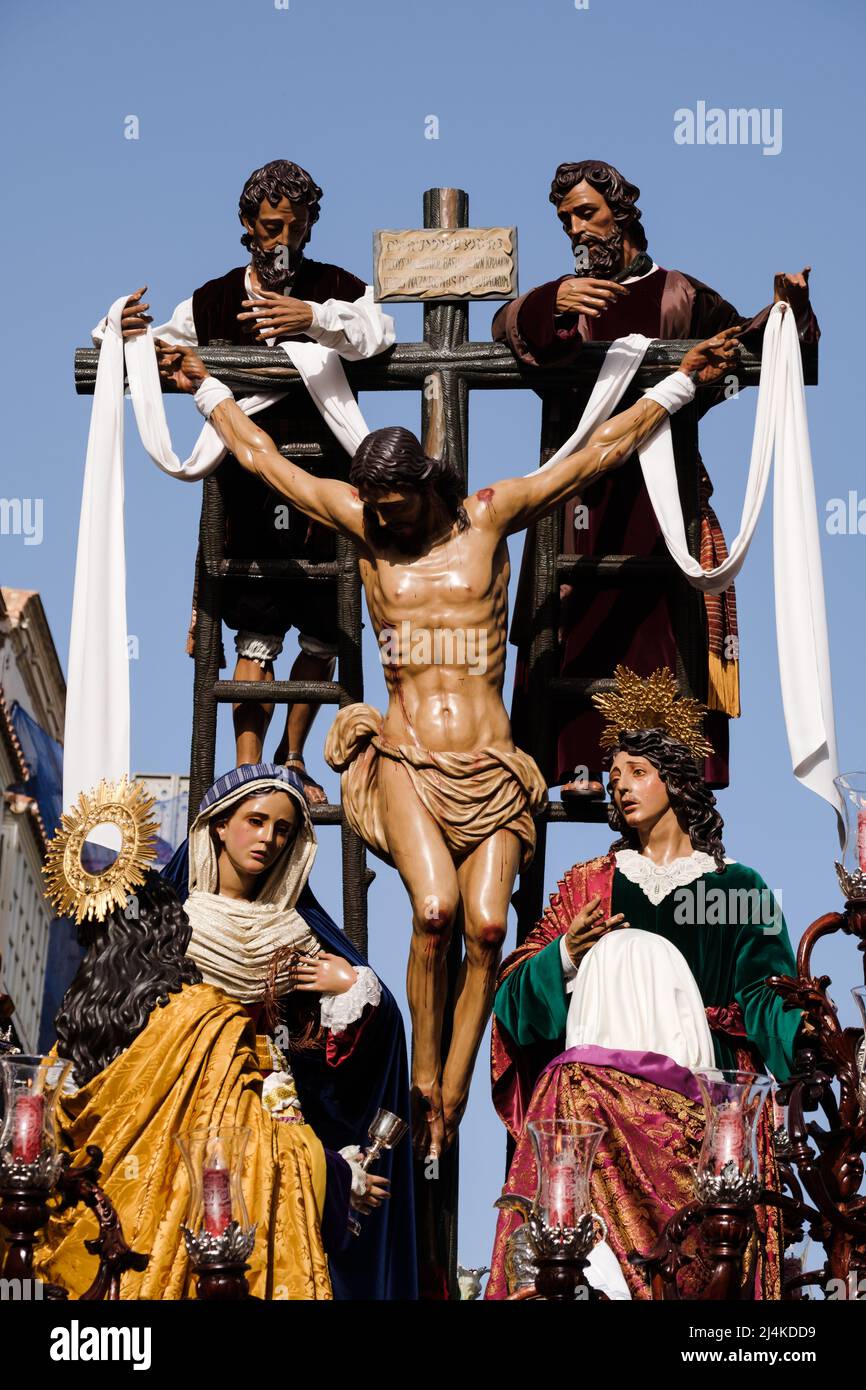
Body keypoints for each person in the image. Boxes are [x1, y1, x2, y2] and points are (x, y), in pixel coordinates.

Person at [154, 318, 742, 1158]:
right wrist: (203, 387)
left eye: (397, 507)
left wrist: (678, 382)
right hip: (407, 759)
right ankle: (423, 1078)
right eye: (376, 509)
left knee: (489, 930)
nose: (386, 521)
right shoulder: (364, 528)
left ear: (426, 486)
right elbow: (268, 464)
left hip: (492, 766)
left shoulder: (488, 518)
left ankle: (456, 1091)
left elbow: (593, 455)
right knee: (432, 915)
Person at [493, 159, 819, 794]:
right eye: (565, 220)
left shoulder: (679, 295)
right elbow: (507, 330)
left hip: (661, 496)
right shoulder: (566, 299)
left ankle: (659, 774)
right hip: (577, 497)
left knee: (654, 635)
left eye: (587, 213)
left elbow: (750, 351)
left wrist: (789, 313)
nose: (576, 230)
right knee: (578, 627)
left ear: (623, 213)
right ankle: (580, 767)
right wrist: (550, 303)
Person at [486, 666, 806, 1300]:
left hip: (698, 1097)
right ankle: (561, 1264)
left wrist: (810, 1044)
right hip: (599, 1086)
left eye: (638, 770)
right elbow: (512, 1001)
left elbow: (770, 994)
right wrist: (564, 958)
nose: (619, 784)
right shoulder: (588, 884)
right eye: (615, 771)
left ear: (676, 781)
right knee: (566, 1087)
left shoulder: (735, 889)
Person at [92, 159, 394, 797]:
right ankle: (248, 770)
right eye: (266, 228)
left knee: (325, 623)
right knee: (254, 632)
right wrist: (120, 334)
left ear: (309, 222)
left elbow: (376, 333)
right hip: (245, 492)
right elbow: (150, 350)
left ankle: (294, 758)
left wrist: (311, 318)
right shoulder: (213, 300)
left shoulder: (337, 287)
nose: (277, 240)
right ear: (248, 228)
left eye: (289, 226)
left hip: (322, 486)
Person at [35, 866, 367, 1300]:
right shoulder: (205, 1020)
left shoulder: (60, 1053)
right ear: (168, 937)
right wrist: (340, 1175)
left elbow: (35, 1164)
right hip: (169, 1270)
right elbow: (246, 1149)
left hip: (68, 1272)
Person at [162, 762, 417, 1301]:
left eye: (282, 830)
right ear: (217, 825)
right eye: (255, 821)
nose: (268, 839)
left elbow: (331, 1059)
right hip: (185, 1099)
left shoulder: (298, 930)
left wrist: (352, 987)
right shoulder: (173, 921)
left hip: (271, 1107)